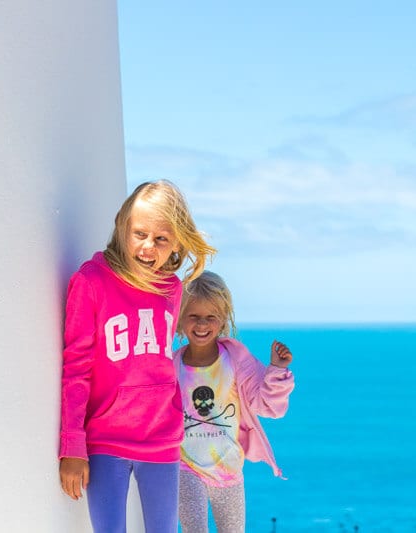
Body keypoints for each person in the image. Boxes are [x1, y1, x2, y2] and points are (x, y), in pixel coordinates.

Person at [59, 180, 216, 532]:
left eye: (161, 238)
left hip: (162, 438)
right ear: (122, 226)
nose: (148, 247)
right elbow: (76, 368)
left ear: (176, 241)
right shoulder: (91, 281)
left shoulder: (171, 288)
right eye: (139, 234)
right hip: (105, 440)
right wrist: (72, 445)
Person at [174, 271, 295, 533]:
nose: (202, 324)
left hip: (228, 470)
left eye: (211, 317)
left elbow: (265, 404)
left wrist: (275, 369)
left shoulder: (236, 360)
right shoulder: (172, 365)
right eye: (193, 316)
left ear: (224, 319)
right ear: (180, 318)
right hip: (185, 466)